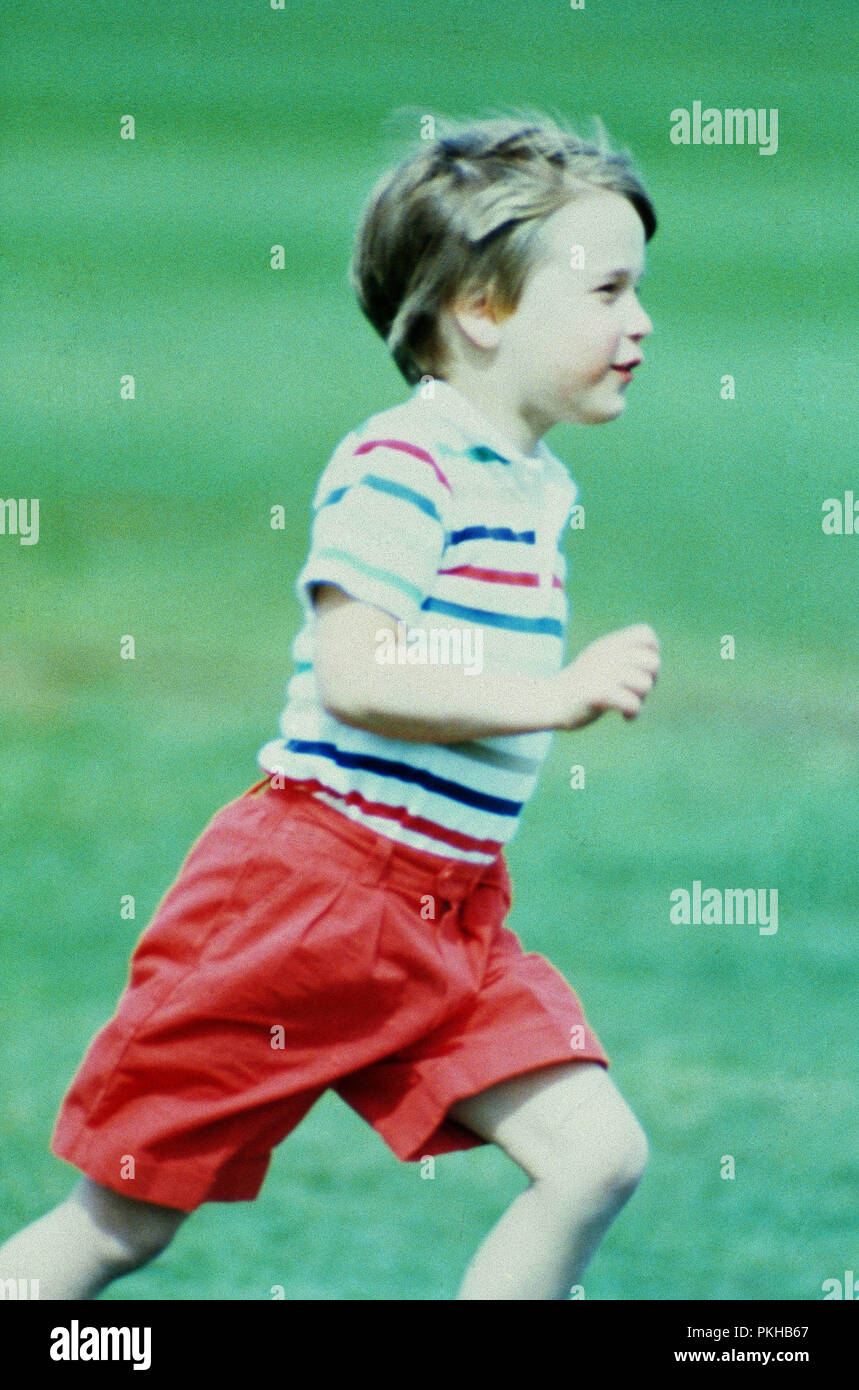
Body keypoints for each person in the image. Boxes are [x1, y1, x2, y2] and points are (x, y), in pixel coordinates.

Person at [0, 111, 660, 1300]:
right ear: (482, 312)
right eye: (608, 290)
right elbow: (358, 675)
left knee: (596, 1156)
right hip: (308, 898)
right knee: (121, 1225)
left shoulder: (534, 483)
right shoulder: (402, 463)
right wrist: (552, 695)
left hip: (449, 917)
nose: (641, 323)